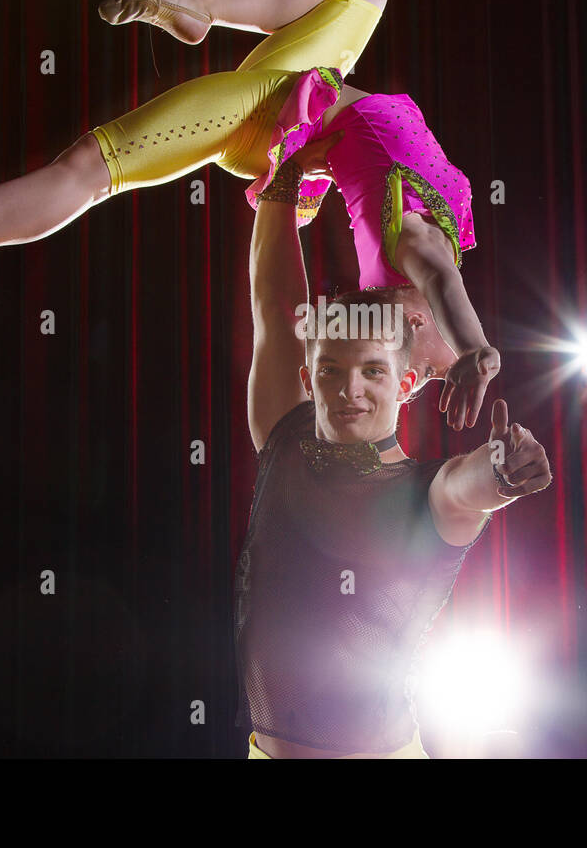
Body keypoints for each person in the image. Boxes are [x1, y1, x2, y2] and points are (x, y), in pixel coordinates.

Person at [0, 0, 498, 427]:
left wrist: (468, 353)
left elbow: (432, 286)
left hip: (275, 115)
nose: (423, 381)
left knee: (85, 172)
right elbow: (442, 286)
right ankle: (199, 5)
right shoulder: (432, 255)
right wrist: (468, 353)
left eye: (419, 379)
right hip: (316, 108)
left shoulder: (413, 251)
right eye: (426, 374)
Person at [235, 142, 551, 758]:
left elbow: (469, 486)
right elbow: (273, 309)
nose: (349, 390)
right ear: (309, 380)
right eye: (330, 371)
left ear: (405, 383)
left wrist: (504, 470)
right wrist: (282, 179)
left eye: (373, 373)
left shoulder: (424, 491)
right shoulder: (285, 437)